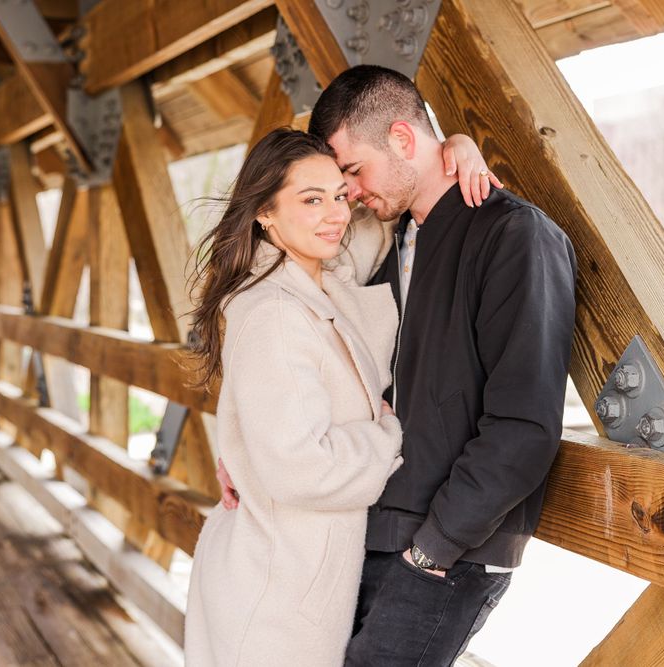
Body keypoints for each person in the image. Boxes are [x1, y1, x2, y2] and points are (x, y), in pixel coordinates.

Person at [218, 65, 578, 665]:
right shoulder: (394, 241)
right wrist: (240, 445)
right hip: (374, 531)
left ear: (405, 141)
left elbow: (524, 425)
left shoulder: (517, 237)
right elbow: (272, 303)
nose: (350, 193)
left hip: (449, 550)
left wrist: (434, 549)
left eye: (353, 172)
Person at [184, 126, 496, 666]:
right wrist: (387, 433)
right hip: (273, 597)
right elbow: (302, 468)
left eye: (339, 195)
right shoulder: (276, 314)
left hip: (294, 579)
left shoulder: (327, 276)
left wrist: (456, 146)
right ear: (265, 212)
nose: (335, 214)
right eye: (310, 200)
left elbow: (398, 196)